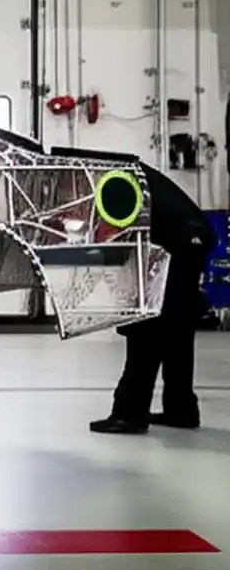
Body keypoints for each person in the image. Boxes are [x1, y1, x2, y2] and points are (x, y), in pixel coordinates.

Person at [90, 162, 212, 434]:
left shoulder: (112, 181)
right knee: (177, 330)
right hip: (192, 238)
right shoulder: (123, 171)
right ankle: (181, 410)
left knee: (145, 327)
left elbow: (115, 232)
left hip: (177, 244)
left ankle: (129, 413)